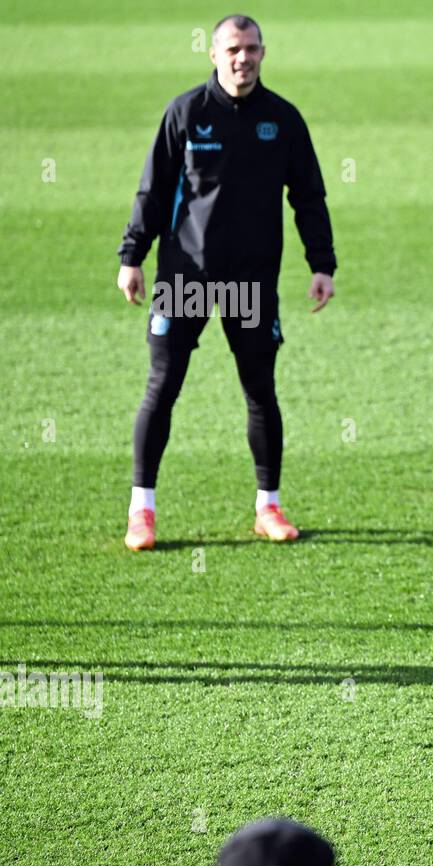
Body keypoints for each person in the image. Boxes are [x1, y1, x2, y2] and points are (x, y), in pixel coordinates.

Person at [116, 13, 336, 550]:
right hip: (185, 276)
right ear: (214, 54)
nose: (245, 58)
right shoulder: (186, 113)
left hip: (253, 282)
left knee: (261, 392)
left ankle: (269, 506)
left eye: (253, 48)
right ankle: (141, 510)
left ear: (264, 53)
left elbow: (307, 195)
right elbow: (153, 189)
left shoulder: (283, 120)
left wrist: (322, 263)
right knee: (162, 389)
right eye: (234, 49)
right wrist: (132, 255)